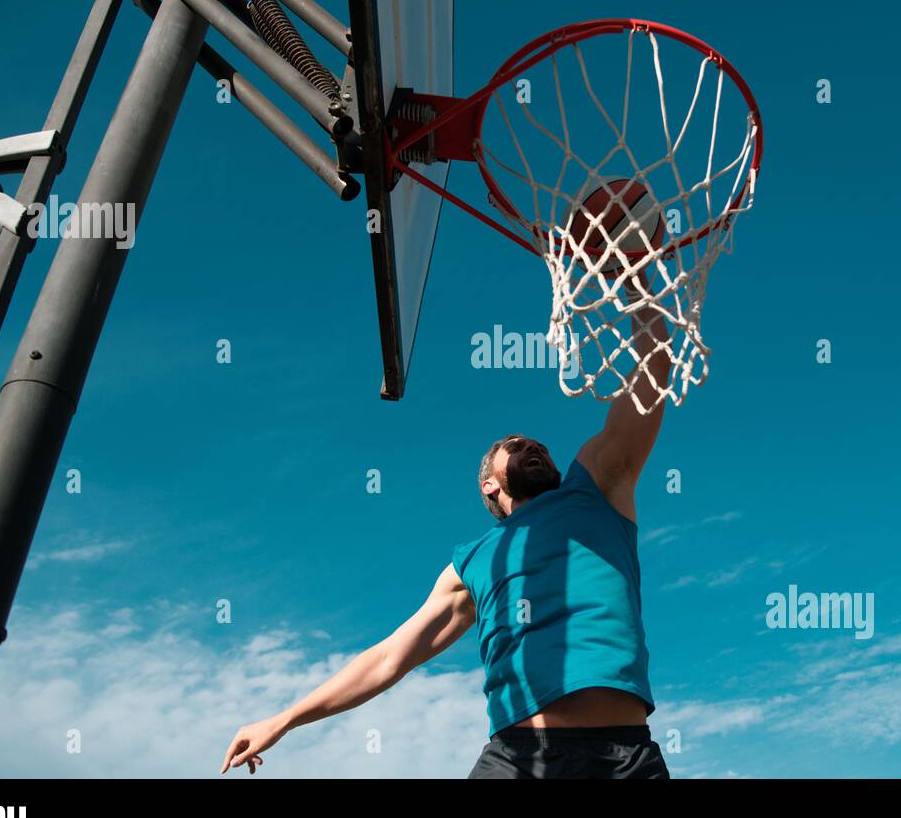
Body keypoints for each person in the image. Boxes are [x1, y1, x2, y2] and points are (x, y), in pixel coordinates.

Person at [221, 273, 671, 779]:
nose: (530, 444)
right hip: (519, 756)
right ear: (488, 487)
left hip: (625, 755)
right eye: (514, 444)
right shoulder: (473, 562)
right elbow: (390, 656)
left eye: (536, 444)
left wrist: (636, 279)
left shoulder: (597, 487)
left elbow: (649, 378)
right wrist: (284, 719)